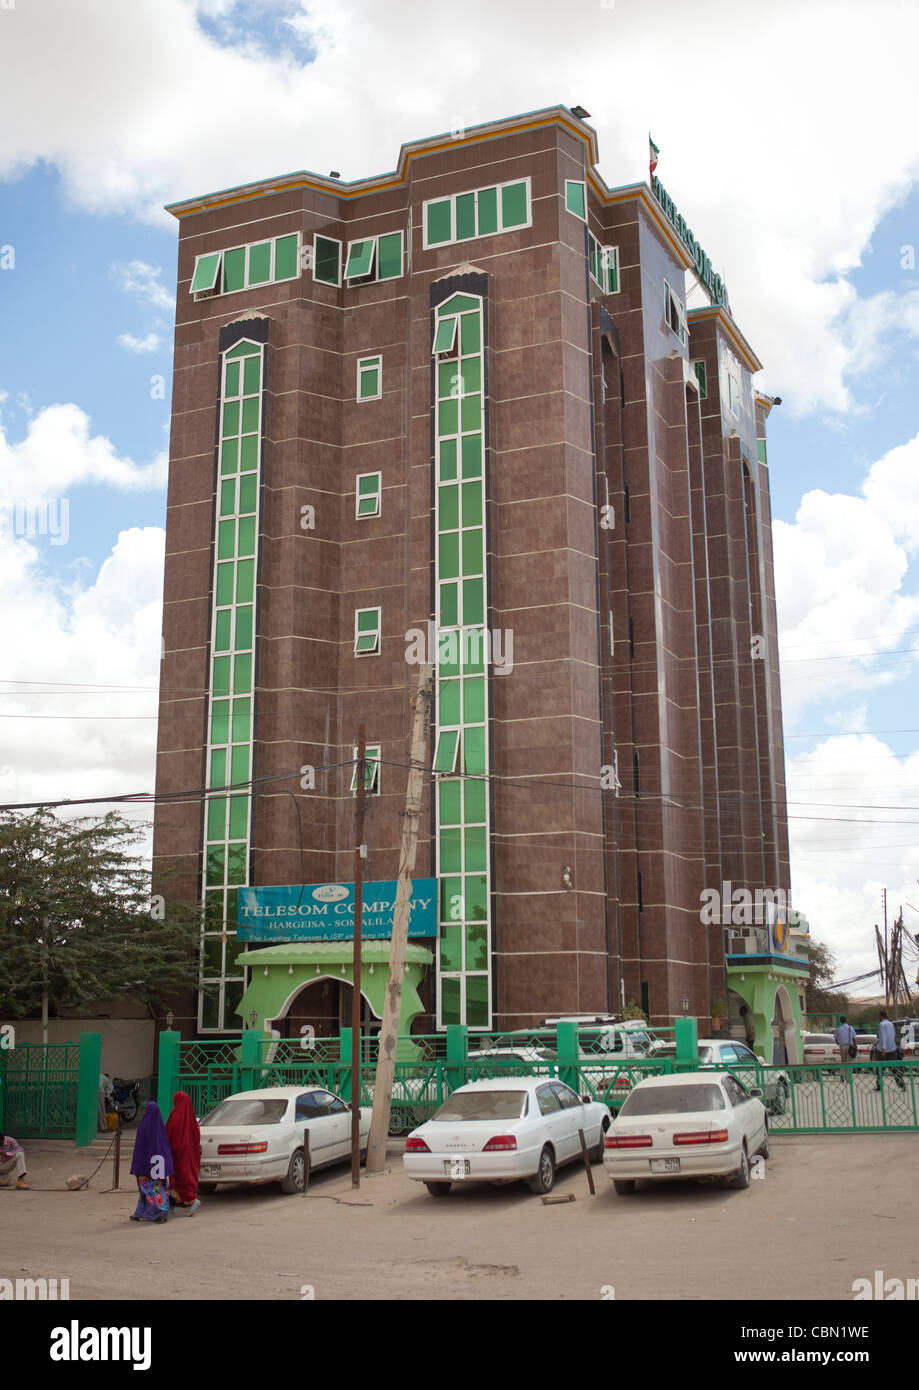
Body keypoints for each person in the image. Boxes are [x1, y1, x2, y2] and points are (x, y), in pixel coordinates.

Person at [129, 1101, 174, 1223]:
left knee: (146, 1190)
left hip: (144, 1165)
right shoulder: (160, 1128)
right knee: (156, 1189)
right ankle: (143, 1212)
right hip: (158, 1165)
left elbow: (139, 1149)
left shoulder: (143, 1127)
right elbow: (164, 1147)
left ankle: (159, 1211)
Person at [165, 1091, 201, 1216]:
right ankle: (175, 1204)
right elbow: (197, 1136)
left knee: (179, 1178)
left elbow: (168, 1133)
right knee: (189, 1175)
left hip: (178, 1153)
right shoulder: (192, 1118)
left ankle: (192, 1200)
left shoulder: (174, 1116)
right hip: (192, 1153)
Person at [876, 1011, 906, 1092]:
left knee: (879, 1068)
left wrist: (883, 1048)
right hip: (893, 1049)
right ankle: (901, 1084)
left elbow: (883, 1036)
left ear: (880, 1016)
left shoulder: (881, 1025)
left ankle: (879, 1086)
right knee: (894, 1068)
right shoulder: (891, 1024)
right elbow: (893, 1035)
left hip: (883, 1050)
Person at [833, 1015, 857, 1080]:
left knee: (843, 1061)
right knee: (849, 1062)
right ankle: (848, 1077)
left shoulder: (838, 1029)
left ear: (840, 1021)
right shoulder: (850, 1028)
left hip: (842, 1046)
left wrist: (839, 1043)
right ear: (846, 1020)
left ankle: (842, 1076)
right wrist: (855, 1046)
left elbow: (835, 1038)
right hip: (849, 1046)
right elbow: (854, 1038)